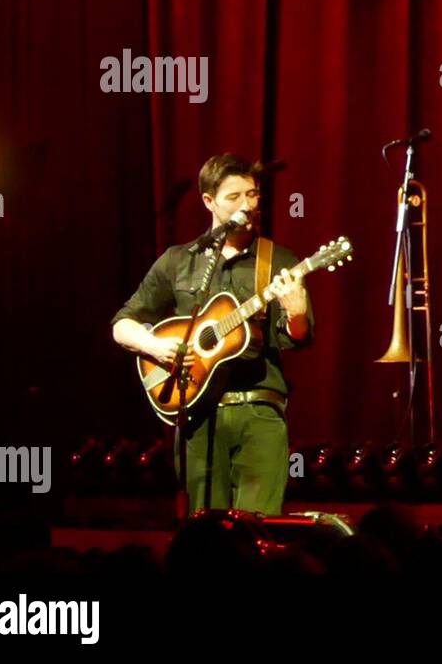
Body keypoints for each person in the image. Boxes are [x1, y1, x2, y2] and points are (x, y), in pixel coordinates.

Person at [112, 153, 314, 515]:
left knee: (259, 526)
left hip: (260, 411)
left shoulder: (278, 259)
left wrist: (296, 312)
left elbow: (298, 337)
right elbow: (122, 324)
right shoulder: (179, 260)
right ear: (209, 201)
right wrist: (155, 346)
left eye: (252, 195)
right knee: (204, 531)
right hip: (198, 414)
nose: (248, 205)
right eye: (234, 197)